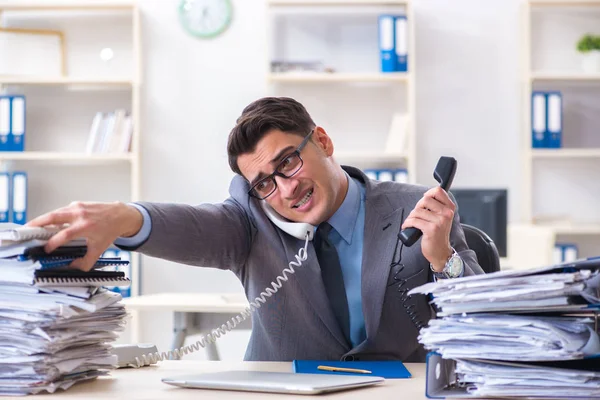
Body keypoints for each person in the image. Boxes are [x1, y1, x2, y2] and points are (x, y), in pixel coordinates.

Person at [28, 97, 484, 362]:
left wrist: (443, 259)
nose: (286, 189)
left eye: (288, 161)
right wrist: (126, 218)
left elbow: (484, 319)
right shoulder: (253, 218)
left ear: (322, 141)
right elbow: (198, 227)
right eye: (265, 182)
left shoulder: (414, 206)